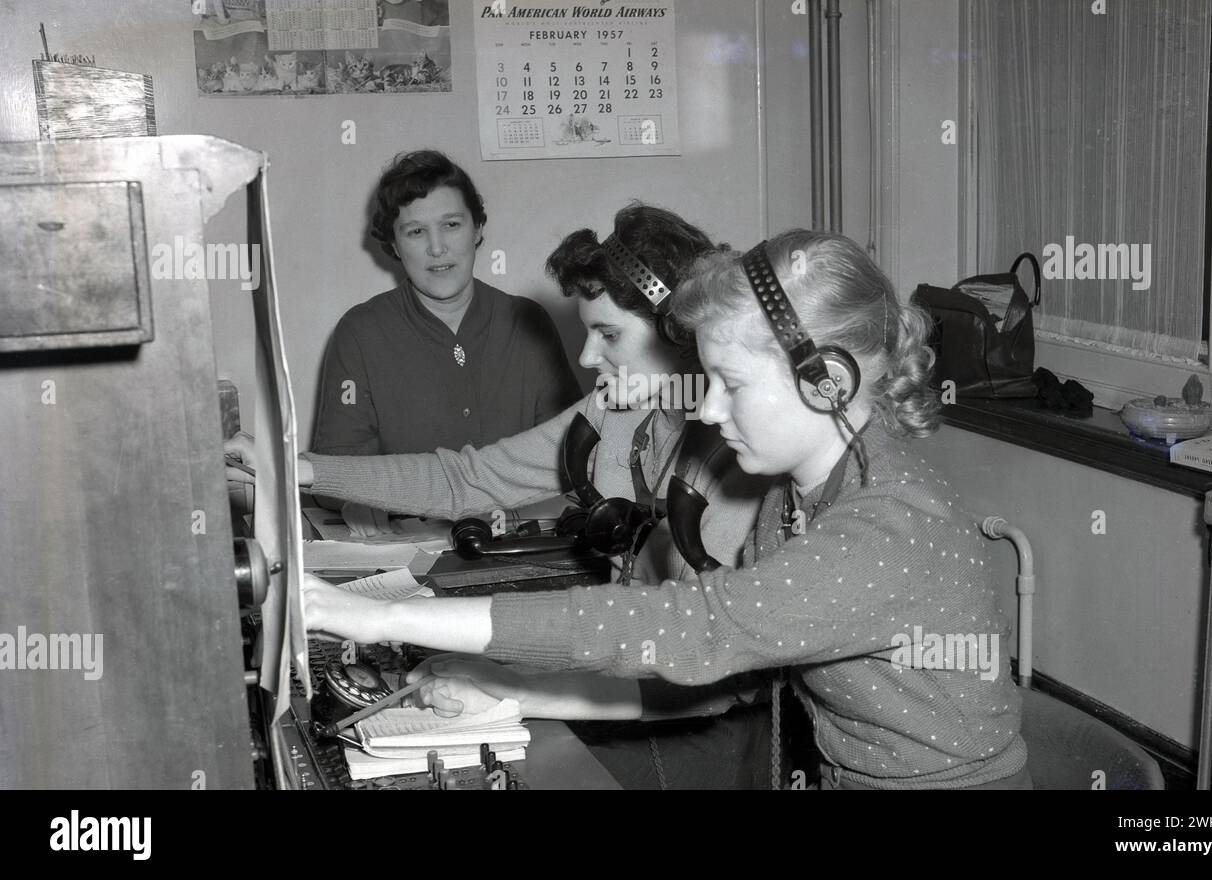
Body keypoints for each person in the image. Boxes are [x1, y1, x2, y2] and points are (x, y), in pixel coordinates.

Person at [299, 228, 1030, 789]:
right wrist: (510, 692)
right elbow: (718, 677)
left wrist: (378, 617)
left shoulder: (886, 525)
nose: (708, 407)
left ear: (826, 381)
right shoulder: (796, 491)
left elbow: (690, 627)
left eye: (730, 383)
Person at [231, 204, 776, 788]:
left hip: (700, 725)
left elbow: (702, 668)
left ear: (680, 333)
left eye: (608, 334)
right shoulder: (618, 408)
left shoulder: (740, 461)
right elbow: (469, 479)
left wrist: (509, 685)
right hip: (618, 676)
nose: (589, 358)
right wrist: (297, 471)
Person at [313, 150, 581, 531]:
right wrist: (354, 500)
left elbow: (573, 452)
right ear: (393, 243)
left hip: (517, 538)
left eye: (451, 225)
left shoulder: (528, 321)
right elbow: (334, 465)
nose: (437, 248)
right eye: (416, 231)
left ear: (477, 229)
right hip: (409, 546)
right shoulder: (360, 331)